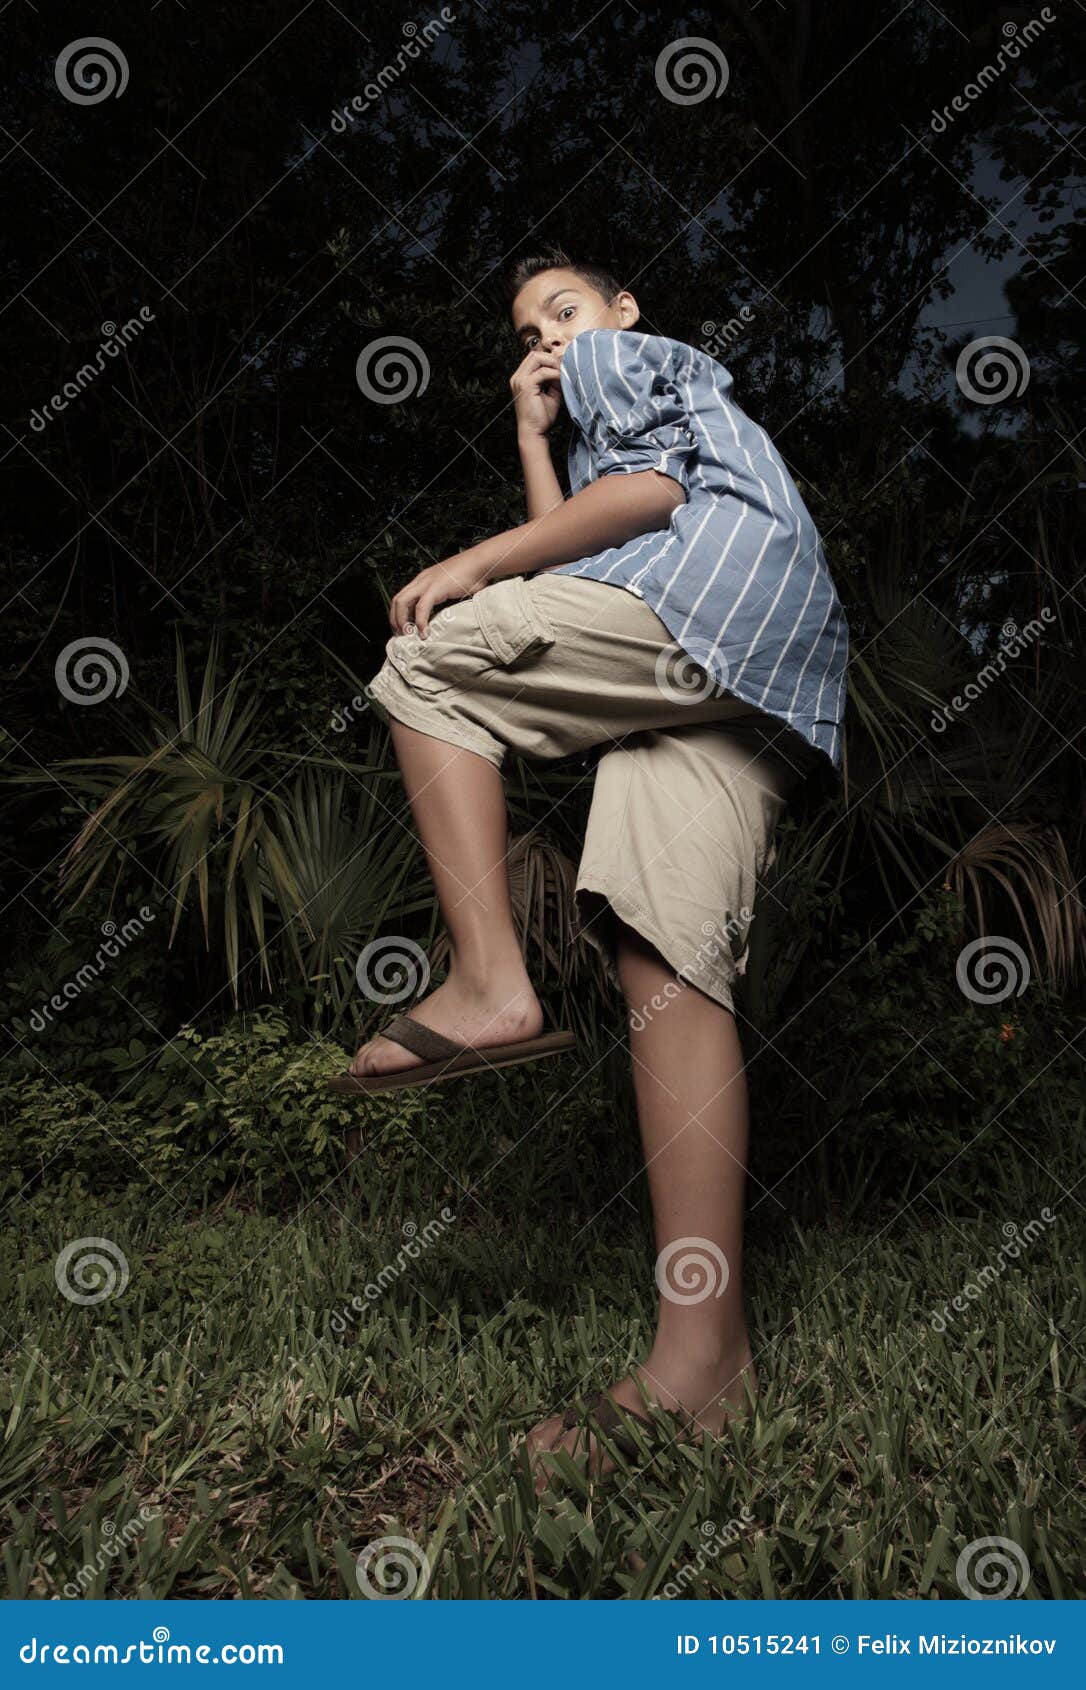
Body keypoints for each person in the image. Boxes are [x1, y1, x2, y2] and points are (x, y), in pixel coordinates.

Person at [342, 244, 849, 1490]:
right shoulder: (591, 428)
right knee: (664, 955)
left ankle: (487, 978)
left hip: (712, 609)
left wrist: (474, 562)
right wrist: (534, 439)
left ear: (622, 310)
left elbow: (647, 499)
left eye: (563, 312)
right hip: (760, 683)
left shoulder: (630, 357)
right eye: (528, 335)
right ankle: (703, 1365)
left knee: (431, 659)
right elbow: (578, 561)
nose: (549, 343)